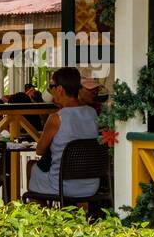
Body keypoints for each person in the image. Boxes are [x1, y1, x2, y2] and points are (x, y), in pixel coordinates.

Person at [27, 66, 101, 200]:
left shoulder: (56, 118)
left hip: (62, 185)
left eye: (51, 86)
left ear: (60, 89)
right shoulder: (92, 113)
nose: (50, 90)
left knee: (31, 166)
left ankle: (43, 217)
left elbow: (39, 150)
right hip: (91, 184)